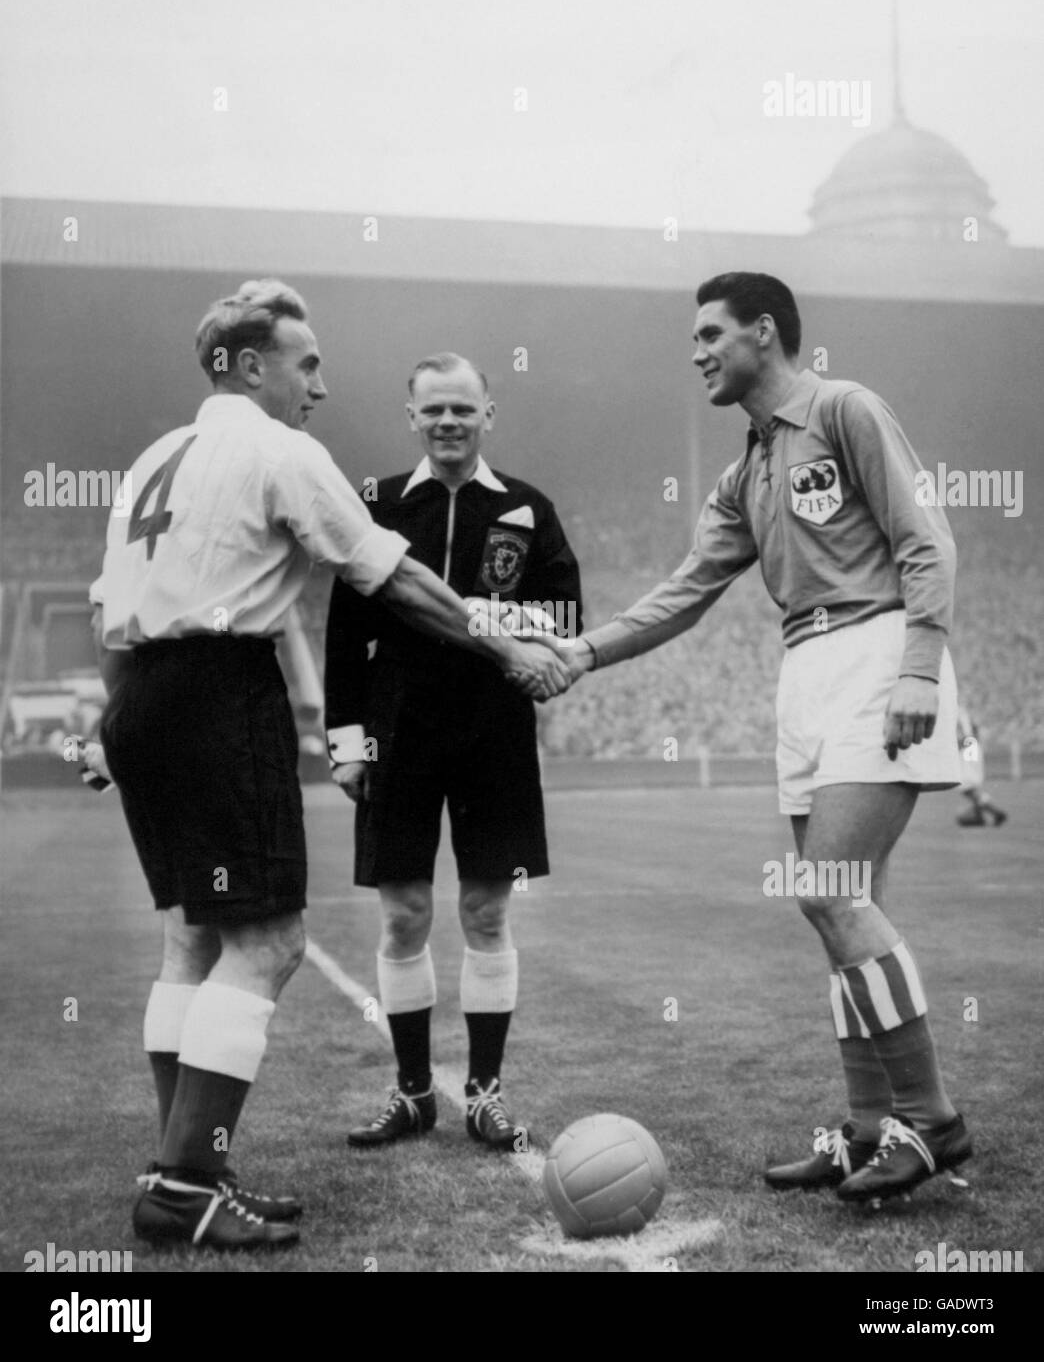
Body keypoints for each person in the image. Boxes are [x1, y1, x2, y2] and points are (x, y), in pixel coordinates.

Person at [90, 285, 571, 1251]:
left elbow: (110, 612)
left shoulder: (154, 458)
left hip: (141, 694)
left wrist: (116, 723)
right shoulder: (280, 452)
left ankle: (177, 1171)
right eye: (305, 364)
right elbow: (389, 582)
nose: (320, 383)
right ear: (247, 365)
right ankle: (190, 1182)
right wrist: (505, 647)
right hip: (221, 695)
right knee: (268, 945)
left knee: (193, 941)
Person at [563, 273, 971, 1205]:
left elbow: (927, 541)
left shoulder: (845, 408)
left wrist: (918, 666)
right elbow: (684, 590)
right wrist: (582, 652)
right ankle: (869, 1129)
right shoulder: (743, 471)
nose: (698, 351)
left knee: (828, 895)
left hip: (876, 651)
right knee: (841, 910)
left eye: (711, 333)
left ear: (765, 331)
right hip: (804, 672)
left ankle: (933, 1120)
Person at [324, 352, 582, 1150]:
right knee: (403, 913)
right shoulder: (375, 504)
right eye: (433, 410)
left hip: (493, 728)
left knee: (485, 909)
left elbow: (566, 622)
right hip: (397, 726)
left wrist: (498, 632)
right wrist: (347, 742)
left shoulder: (528, 511)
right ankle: (410, 1094)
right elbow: (345, 632)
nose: (447, 423)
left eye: (462, 410)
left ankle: (484, 1093)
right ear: (411, 416)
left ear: (487, 414)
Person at [955, 701, 1007, 826]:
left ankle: (996, 812)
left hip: (967, 747)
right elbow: (974, 729)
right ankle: (979, 816)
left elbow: (964, 734)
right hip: (972, 746)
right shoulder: (962, 711)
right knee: (970, 786)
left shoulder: (956, 711)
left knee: (966, 786)